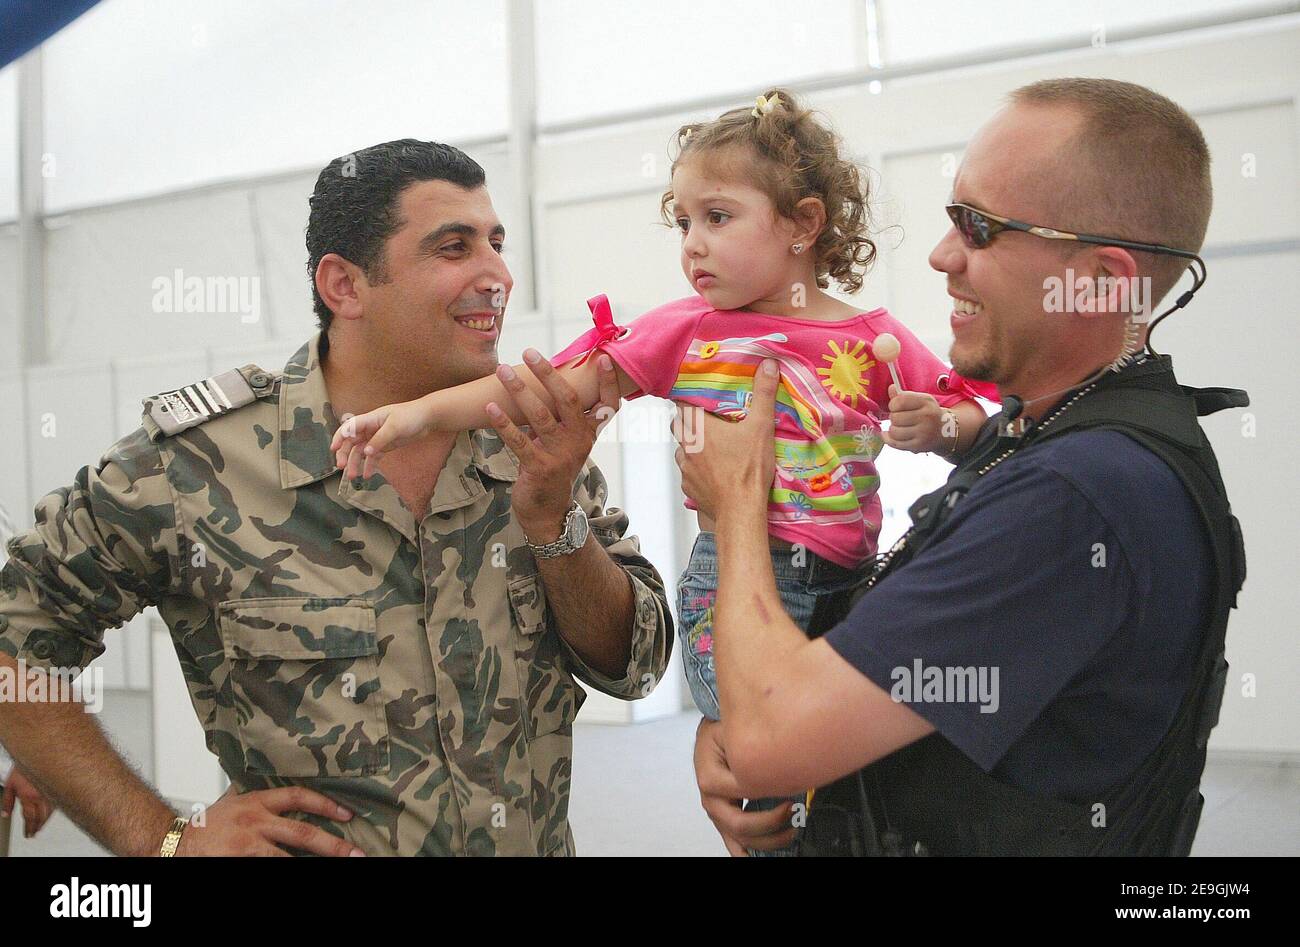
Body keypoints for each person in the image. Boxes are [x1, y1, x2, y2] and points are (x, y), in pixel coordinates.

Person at [330, 89, 994, 853]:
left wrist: (941, 424)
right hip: (741, 574)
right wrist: (413, 415)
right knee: (763, 757)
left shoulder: (873, 336)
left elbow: (977, 415)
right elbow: (537, 391)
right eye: (683, 222)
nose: (693, 244)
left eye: (717, 217)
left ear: (803, 224)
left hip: (852, 579)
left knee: (855, 754)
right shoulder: (682, 331)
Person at [0, 139, 674, 856]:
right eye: (454, 247)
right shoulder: (198, 464)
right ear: (344, 286)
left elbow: (634, 663)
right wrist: (163, 838)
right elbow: (14, 641)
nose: (498, 274)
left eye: (496, 243)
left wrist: (552, 520)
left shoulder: (528, 437)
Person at [682, 78, 1246, 856]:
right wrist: (732, 715)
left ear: (1103, 280)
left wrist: (738, 499)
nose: (944, 255)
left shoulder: (1074, 496)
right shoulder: (1066, 440)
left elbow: (773, 737)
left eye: (979, 227)